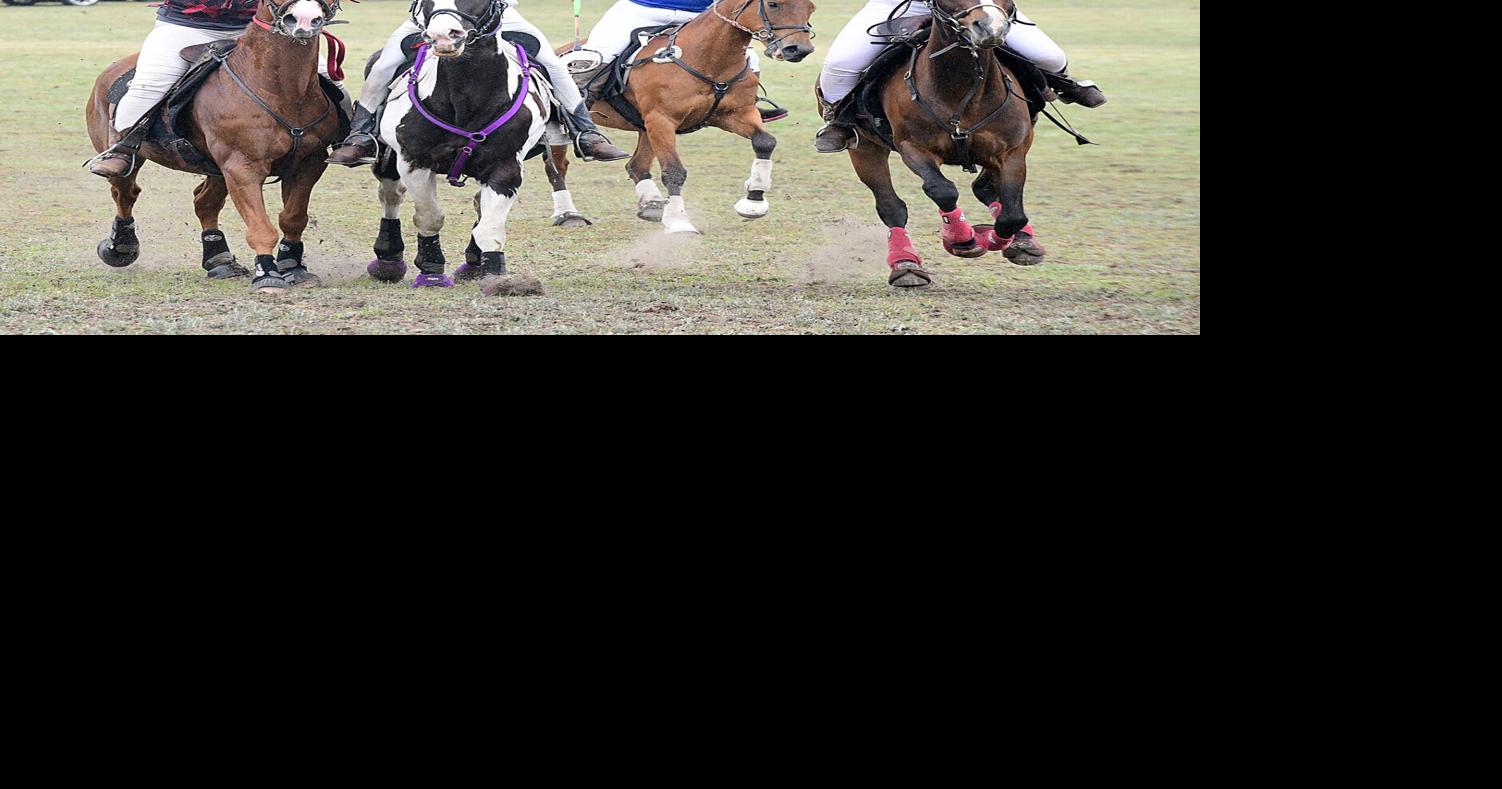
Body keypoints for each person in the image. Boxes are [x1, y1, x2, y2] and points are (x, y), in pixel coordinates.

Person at [328, 0, 630, 166]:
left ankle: (585, 133)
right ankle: (361, 136)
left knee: (552, 63)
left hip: (493, 14)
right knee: (383, 65)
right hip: (432, 15)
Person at [815, 0, 1107, 153]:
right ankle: (840, 120)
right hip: (898, 4)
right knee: (841, 63)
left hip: (978, 4)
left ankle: (1065, 85)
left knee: (1049, 56)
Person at [90, 0, 335, 178]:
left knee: (327, 78)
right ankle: (123, 147)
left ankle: (350, 137)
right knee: (150, 83)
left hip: (263, 26)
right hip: (186, 27)